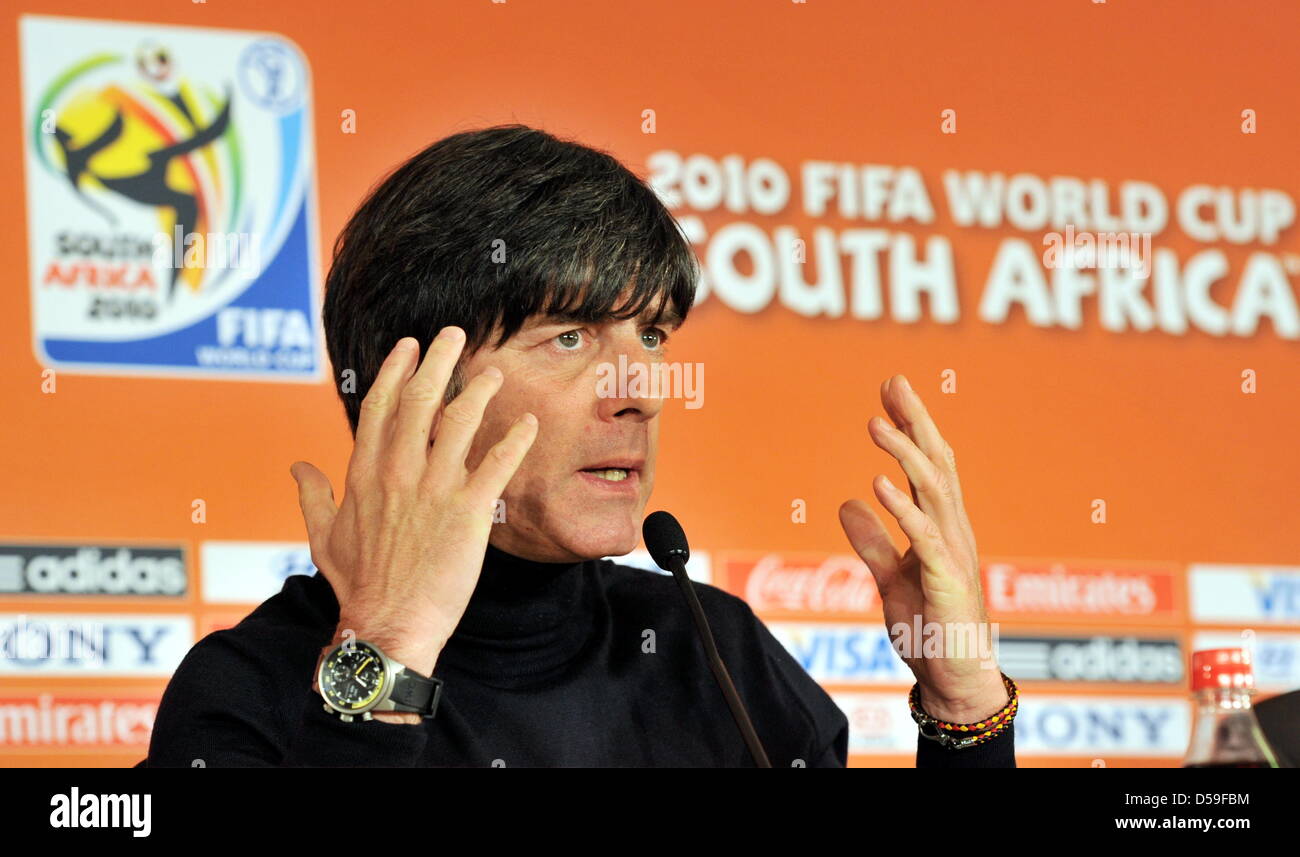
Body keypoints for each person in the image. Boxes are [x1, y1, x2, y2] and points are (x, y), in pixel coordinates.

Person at [142, 124, 1015, 767]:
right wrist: (387, 652)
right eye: (570, 336)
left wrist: (962, 703)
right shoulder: (249, 688)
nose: (643, 391)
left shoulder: (716, 650)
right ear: (413, 386)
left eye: (652, 337)